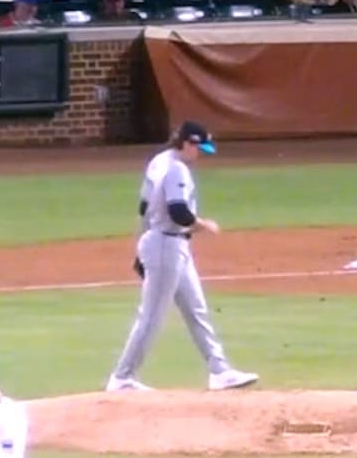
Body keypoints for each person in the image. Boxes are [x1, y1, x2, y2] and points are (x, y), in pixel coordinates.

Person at [107, 120, 259, 392]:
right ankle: (122, 377)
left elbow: (144, 207)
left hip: (167, 244)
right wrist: (204, 224)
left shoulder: (159, 161)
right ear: (187, 143)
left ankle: (219, 371)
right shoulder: (176, 169)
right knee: (151, 316)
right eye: (199, 148)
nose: (200, 154)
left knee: (196, 308)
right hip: (166, 246)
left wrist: (141, 245)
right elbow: (179, 213)